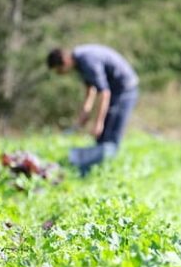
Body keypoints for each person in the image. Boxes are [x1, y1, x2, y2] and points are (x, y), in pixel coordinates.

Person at [47, 44, 139, 174]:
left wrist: (98, 123)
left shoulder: (87, 61)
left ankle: (106, 172)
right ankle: (92, 169)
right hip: (115, 90)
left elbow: (104, 92)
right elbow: (91, 89)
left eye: (59, 70)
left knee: (110, 134)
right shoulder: (79, 62)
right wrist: (84, 114)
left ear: (65, 62)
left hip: (125, 90)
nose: (60, 74)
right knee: (101, 137)